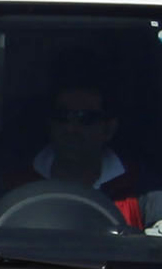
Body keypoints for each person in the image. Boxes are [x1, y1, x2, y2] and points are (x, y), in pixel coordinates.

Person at [16, 81, 145, 228]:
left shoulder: (140, 190)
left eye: (86, 118)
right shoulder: (13, 184)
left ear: (109, 129)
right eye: (62, 116)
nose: (71, 128)